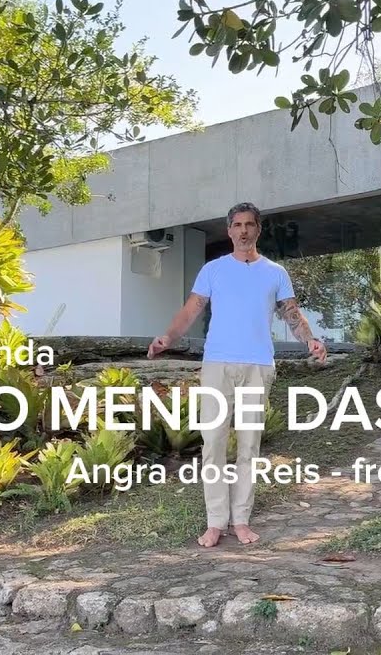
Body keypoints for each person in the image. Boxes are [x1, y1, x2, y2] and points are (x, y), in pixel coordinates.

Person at [147, 202, 327, 547]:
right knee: (213, 444)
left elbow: (292, 313)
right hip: (218, 366)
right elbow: (191, 309)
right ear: (229, 231)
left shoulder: (275, 272)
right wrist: (168, 338)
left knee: (248, 446)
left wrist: (311, 339)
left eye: (249, 224)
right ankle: (215, 522)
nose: (243, 230)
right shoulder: (213, 270)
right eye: (237, 225)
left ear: (258, 230)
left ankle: (241, 520)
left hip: (258, 366)